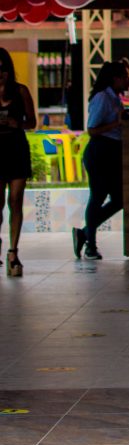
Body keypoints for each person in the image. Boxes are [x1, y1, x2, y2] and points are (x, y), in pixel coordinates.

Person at [73, 61, 129, 261]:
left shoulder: (116, 99)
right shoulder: (102, 98)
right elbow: (92, 129)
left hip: (113, 151)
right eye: (124, 76)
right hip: (100, 151)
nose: (128, 79)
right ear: (115, 78)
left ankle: (85, 233)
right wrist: (118, 123)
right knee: (97, 197)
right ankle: (90, 245)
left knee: (119, 199)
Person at [0, 48, 36, 277]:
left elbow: (32, 121)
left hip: (16, 148)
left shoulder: (20, 91)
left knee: (16, 200)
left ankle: (13, 252)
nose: (0, 73)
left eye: (3, 68)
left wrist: (17, 124)